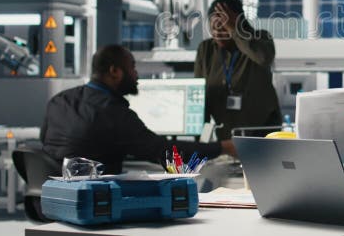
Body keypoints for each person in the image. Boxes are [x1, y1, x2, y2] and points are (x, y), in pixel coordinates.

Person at [41, 45, 234, 174]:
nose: (136, 75)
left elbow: (46, 143)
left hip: (56, 199)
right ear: (114, 72)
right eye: (133, 68)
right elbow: (165, 154)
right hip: (98, 203)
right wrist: (222, 148)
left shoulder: (58, 101)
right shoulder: (113, 113)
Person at [195, 0, 281, 140]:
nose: (217, 32)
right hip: (226, 135)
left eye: (224, 25)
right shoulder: (206, 49)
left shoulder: (260, 38)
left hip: (261, 133)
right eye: (213, 27)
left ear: (238, 21)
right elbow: (199, 97)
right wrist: (200, 142)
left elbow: (264, 57)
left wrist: (235, 30)